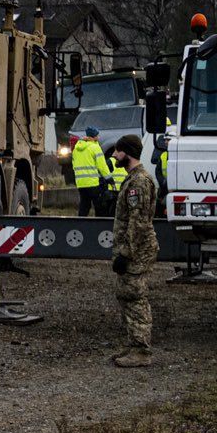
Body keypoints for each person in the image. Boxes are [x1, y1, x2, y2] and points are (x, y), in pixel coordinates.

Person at [108, 133, 158, 367]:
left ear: (126, 153)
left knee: (136, 298)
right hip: (132, 249)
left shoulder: (139, 182)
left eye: (117, 151)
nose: (114, 155)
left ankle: (141, 351)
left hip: (136, 251)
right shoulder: (134, 179)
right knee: (126, 295)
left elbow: (138, 222)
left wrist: (126, 253)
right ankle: (133, 344)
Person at [71, 127, 106, 216]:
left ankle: (80, 223)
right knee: (99, 206)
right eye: (97, 135)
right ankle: (100, 224)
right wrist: (109, 178)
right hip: (93, 182)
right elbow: (102, 166)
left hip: (81, 183)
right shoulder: (95, 148)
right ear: (94, 136)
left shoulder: (76, 148)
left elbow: (74, 164)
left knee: (84, 205)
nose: (99, 137)